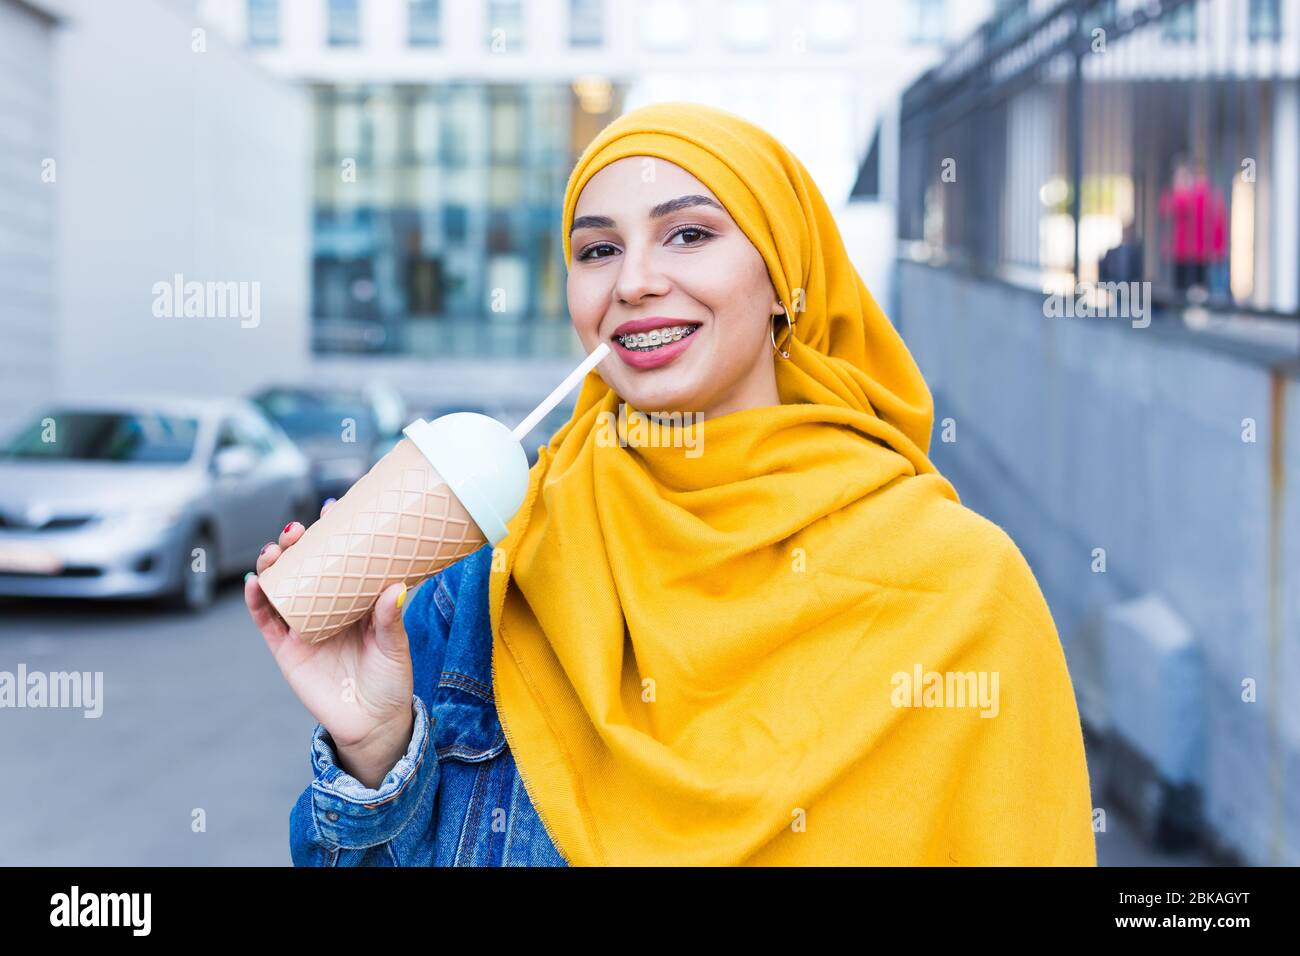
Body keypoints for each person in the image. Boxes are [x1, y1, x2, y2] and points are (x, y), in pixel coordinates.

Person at [246, 101, 1098, 866]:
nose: (634, 281)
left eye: (689, 234)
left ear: (781, 278)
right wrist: (374, 750)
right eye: (598, 249)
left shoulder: (962, 590)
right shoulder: (481, 581)